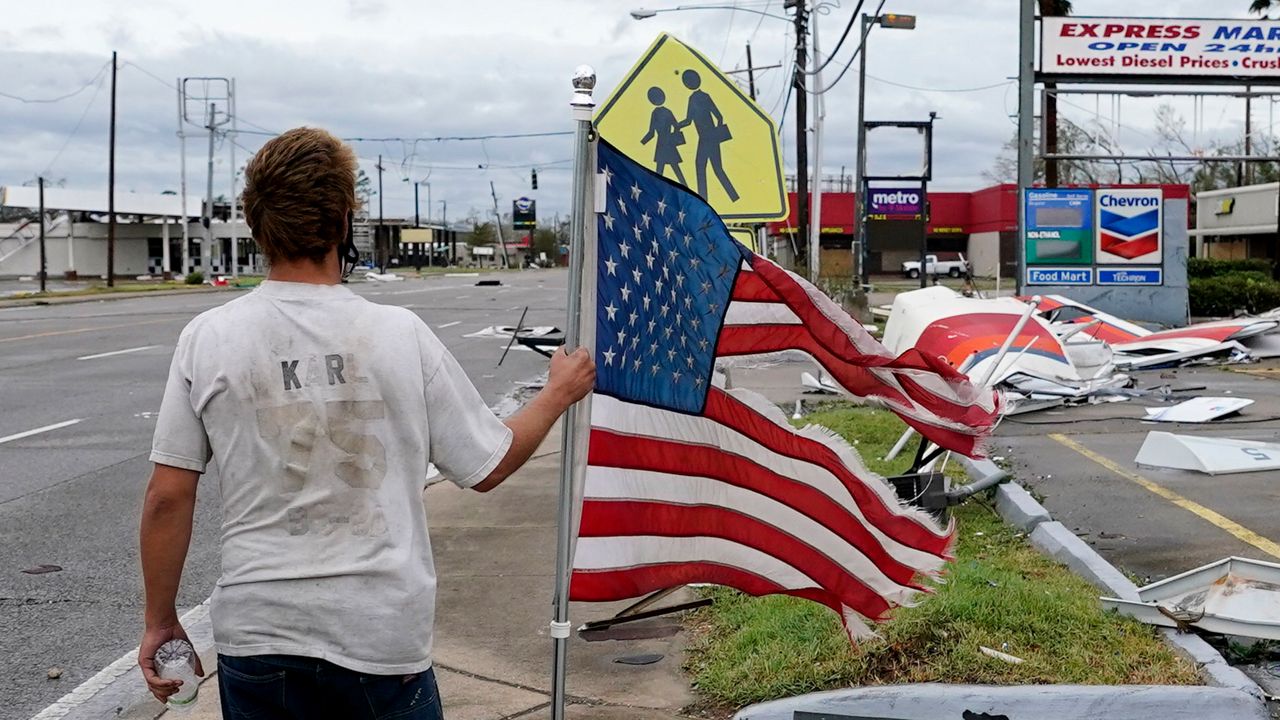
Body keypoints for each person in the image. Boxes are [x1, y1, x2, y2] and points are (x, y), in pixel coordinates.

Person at [137, 127, 595, 719]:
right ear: (344, 221)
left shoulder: (208, 338)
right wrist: (557, 394)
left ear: (255, 225)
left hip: (260, 634)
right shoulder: (400, 335)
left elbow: (168, 497)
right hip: (381, 637)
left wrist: (161, 620)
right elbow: (488, 464)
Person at [678, 69, 739, 203]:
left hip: (706, 139)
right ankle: (733, 196)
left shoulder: (694, 98)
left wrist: (677, 126)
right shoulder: (703, 96)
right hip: (709, 138)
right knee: (715, 168)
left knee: (701, 166)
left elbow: (689, 120)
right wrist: (716, 133)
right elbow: (719, 116)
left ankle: (704, 199)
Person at [639, 86, 687, 185]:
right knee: (673, 169)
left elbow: (651, 133)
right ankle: (686, 187)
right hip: (669, 143)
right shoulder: (667, 111)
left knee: (661, 171)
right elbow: (676, 125)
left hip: (662, 144)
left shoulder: (655, 113)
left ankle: (658, 191)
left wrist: (642, 142)